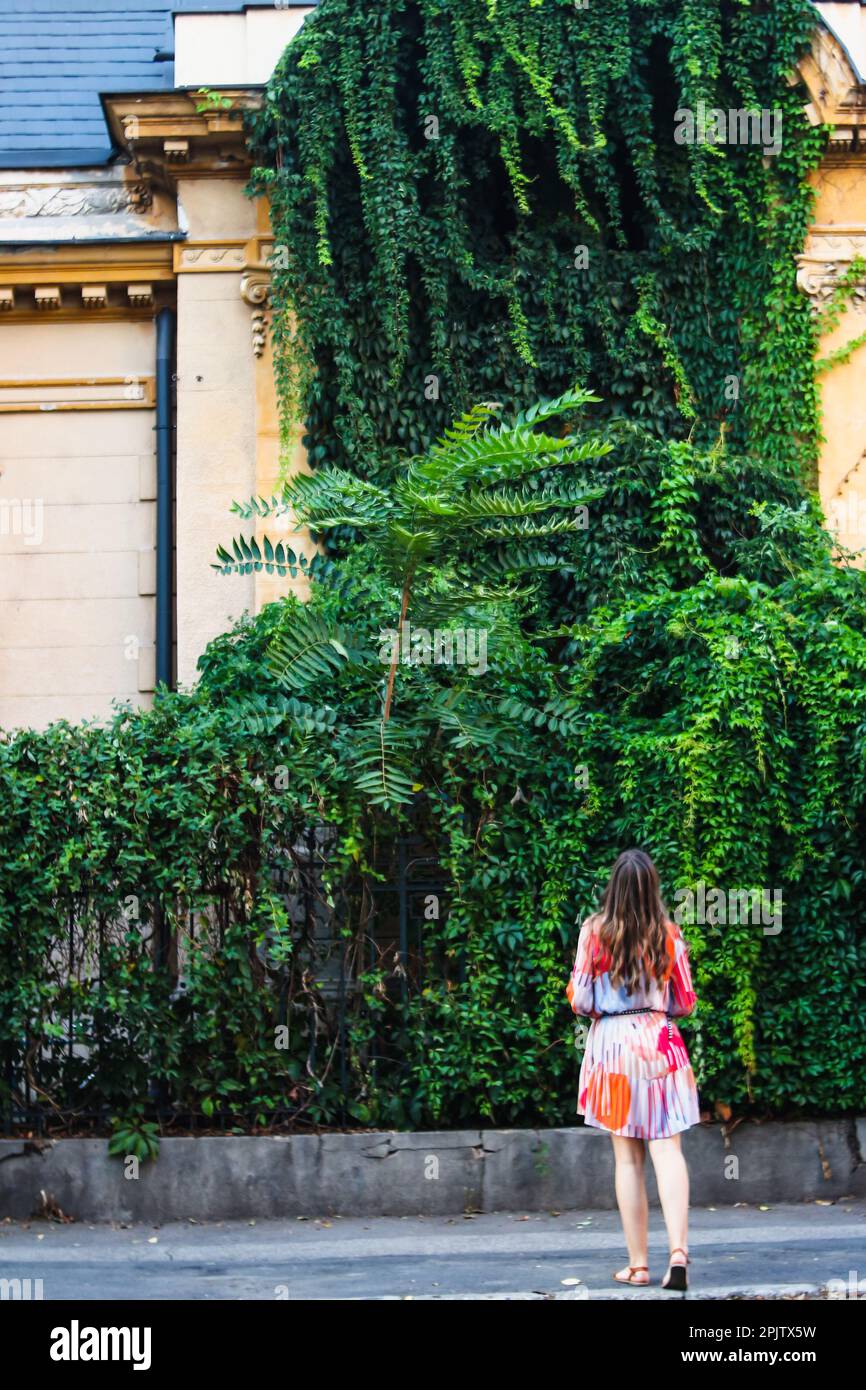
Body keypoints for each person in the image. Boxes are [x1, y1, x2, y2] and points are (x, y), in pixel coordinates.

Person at [567, 848, 699, 1290]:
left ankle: (638, 1265)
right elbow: (684, 1001)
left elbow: (581, 1000)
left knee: (627, 1158)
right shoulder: (669, 935)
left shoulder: (593, 932)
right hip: (661, 1044)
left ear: (614, 889)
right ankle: (678, 1254)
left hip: (613, 1052)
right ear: (652, 889)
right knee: (668, 1151)